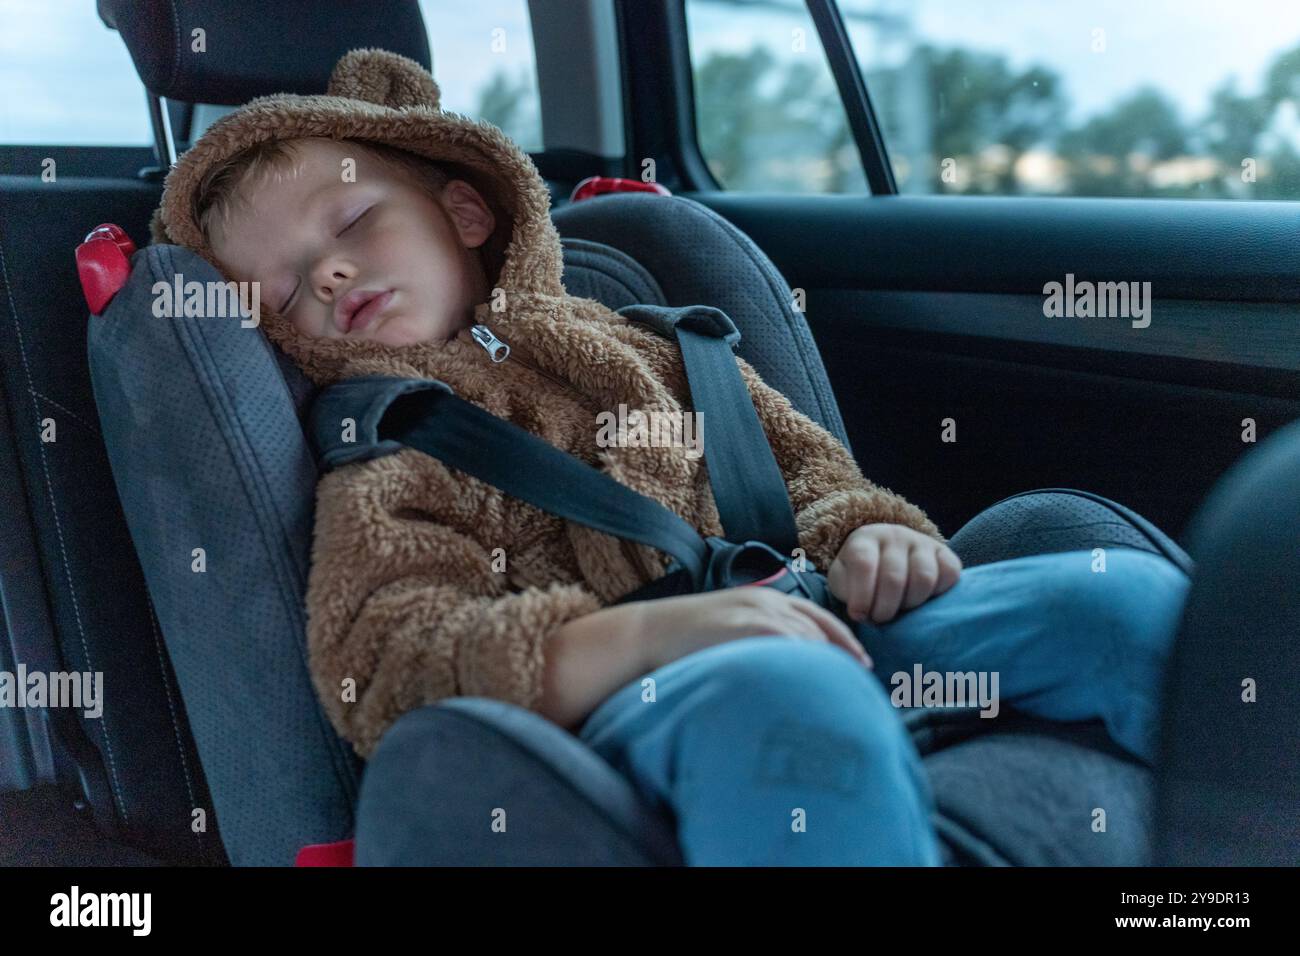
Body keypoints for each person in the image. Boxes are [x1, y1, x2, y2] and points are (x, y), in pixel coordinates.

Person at [150, 48, 1191, 865]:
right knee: (797, 704)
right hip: (640, 710)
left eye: (349, 222)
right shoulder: (396, 455)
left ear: (465, 208)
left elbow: (810, 467)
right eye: (283, 293)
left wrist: (869, 530)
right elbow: (384, 660)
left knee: (1125, 604)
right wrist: (640, 642)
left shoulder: (660, 343)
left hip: (826, 619)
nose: (326, 272)